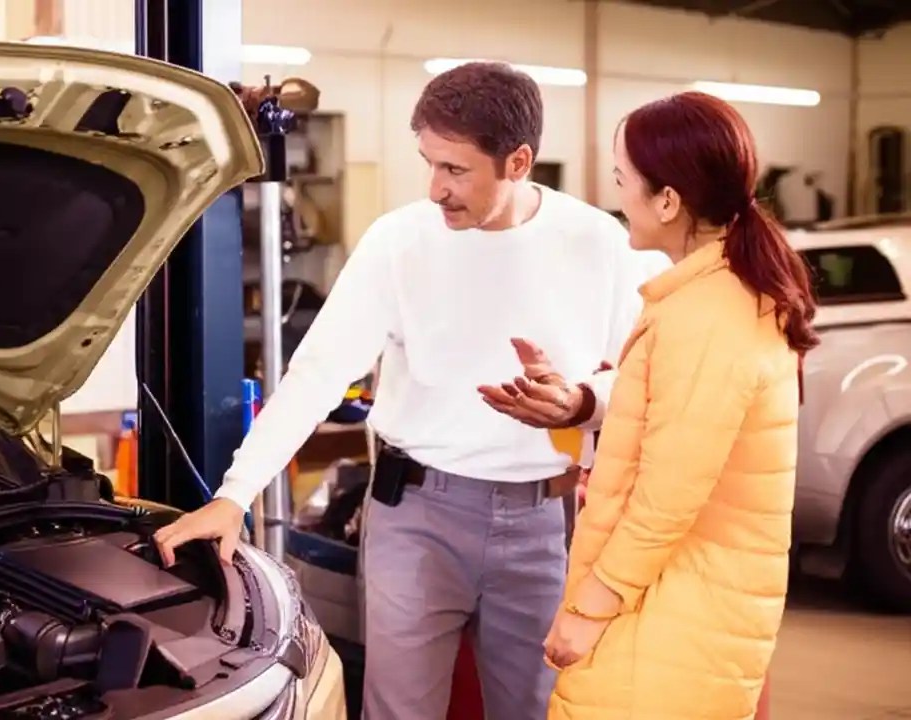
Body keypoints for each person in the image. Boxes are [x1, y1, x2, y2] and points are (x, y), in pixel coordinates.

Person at [153, 61, 665, 720]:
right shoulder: (399, 243)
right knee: (400, 711)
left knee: (538, 710)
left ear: (517, 162)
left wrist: (582, 404)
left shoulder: (595, 242)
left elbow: (641, 378)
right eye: (428, 163)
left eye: (455, 170)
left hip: (541, 522)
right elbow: (316, 374)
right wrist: (234, 495)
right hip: (418, 517)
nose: (435, 189)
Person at [482, 91, 815, 719]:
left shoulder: (710, 316)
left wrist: (589, 610)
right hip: (671, 605)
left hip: (671, 618)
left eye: (622, 180)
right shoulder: (704, 299)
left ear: (668, 199)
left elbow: (669, 496)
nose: (617, 197)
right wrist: (580, 404)